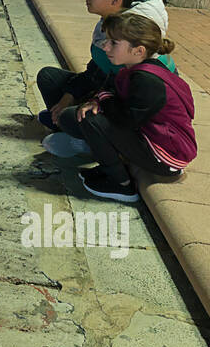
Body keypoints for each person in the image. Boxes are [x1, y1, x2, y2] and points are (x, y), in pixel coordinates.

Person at [54, 12, 197, 204]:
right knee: (82, 115)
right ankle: (110, 167)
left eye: (114, 43)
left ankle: (121, 184)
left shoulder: (147, 80)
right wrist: (99, 100)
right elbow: (114, 95)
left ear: (138, 51)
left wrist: (102, 100)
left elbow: (124, 120)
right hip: (153, 140)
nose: (105, 46)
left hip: (166, 157)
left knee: (92, 120)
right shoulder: (137, 69)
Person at [35, 0, 175, 134]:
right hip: (108, 93)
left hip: (130, 114)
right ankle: (64, 123)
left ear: (115, 0)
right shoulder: (112, 24)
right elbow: (96, 71)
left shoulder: (131, 35)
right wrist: (69, 95)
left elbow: (126, 99)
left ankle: (75, 133)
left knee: (70, 117)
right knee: (48, 77)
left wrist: (93, 103)